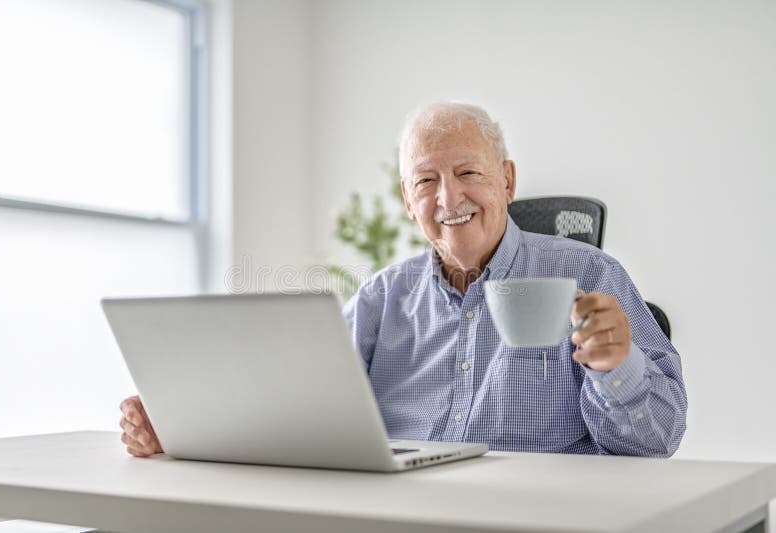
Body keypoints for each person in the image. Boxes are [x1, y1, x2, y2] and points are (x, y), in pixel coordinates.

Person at [120, 102, 687, 458]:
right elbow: (301, 411)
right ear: (408, 202)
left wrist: (619, 367)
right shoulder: (383, 297)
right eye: (426, 181)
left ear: (507, 180)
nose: (449, 199)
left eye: (468, 172)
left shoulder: (588, 275)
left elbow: (658, 440)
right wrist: (183, 430)